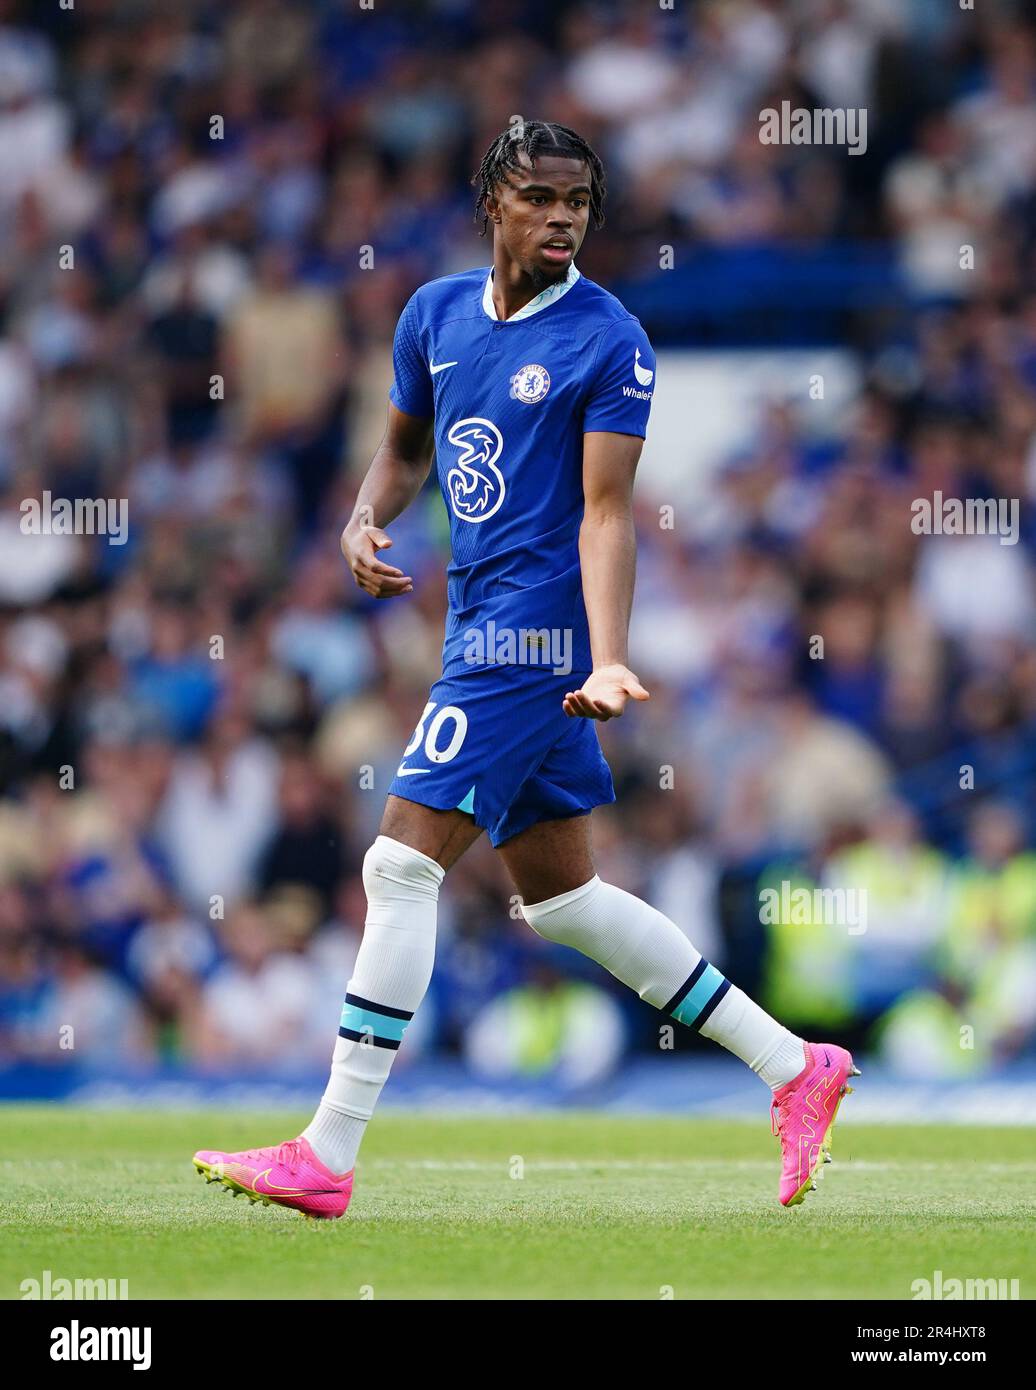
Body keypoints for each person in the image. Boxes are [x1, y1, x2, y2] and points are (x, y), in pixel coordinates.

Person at [193, 121, 858, 1219]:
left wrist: (605, 656)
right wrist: (365, 518)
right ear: (490, 199)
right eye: (540, 197)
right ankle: (794, 1066)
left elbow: (607, 517)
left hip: (530, 639)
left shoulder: (610, 340)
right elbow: (407, 449)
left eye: (578, 202)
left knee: (400, 867)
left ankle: (328, 1148)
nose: (561, 218)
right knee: (565, 902)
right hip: (472, 626)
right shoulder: (435, 316)